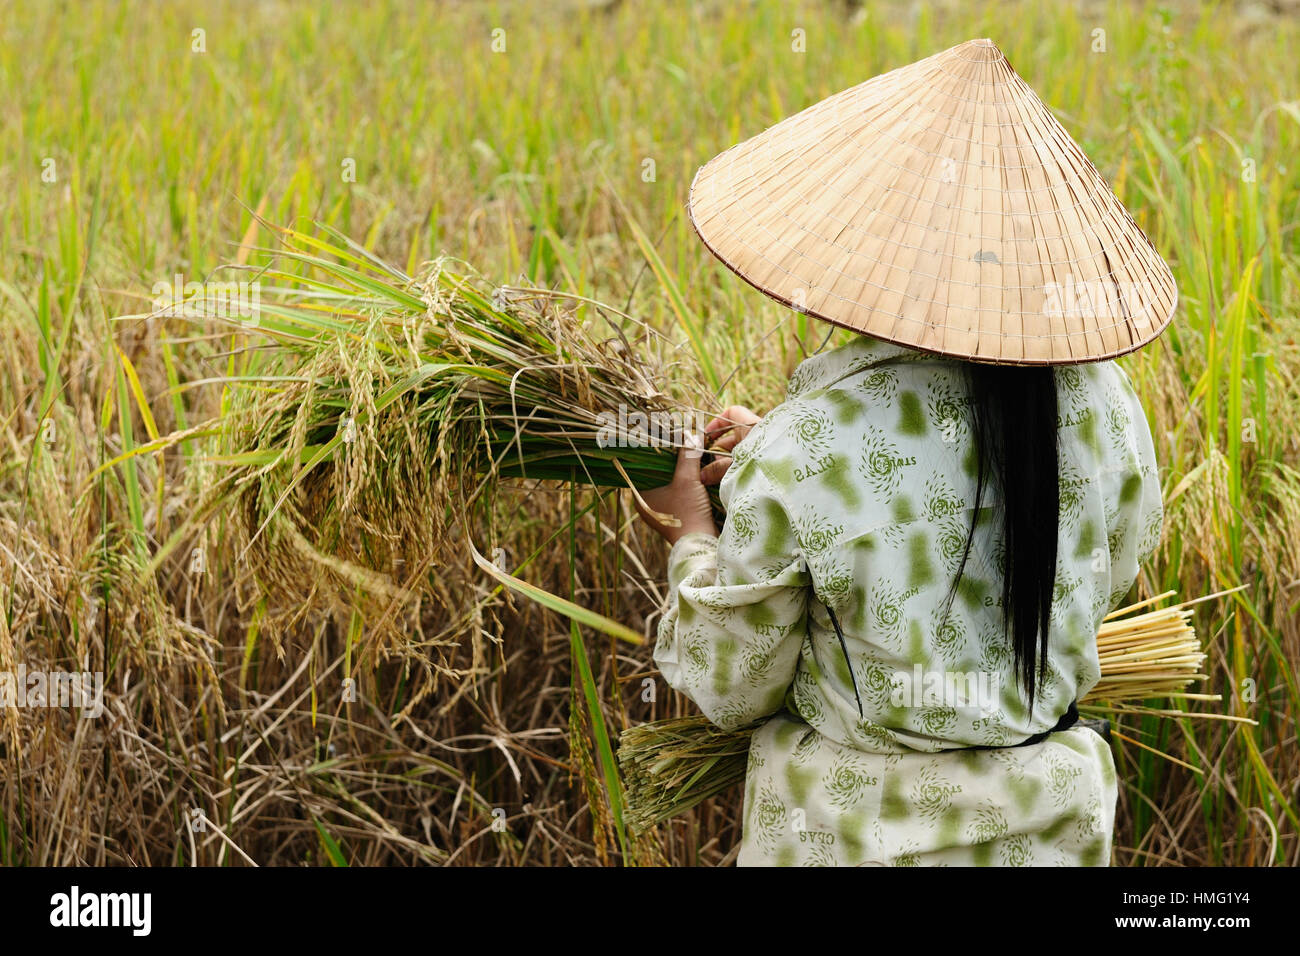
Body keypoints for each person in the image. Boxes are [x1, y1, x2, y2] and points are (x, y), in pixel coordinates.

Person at [633, 38, 1174, 866]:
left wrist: (693, 537)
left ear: (877, 246)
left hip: (851, 840)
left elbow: (730, 683)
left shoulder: (810, 442)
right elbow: (1103, 573)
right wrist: (780, 455)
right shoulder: (1113, 411)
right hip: (1052, 834)